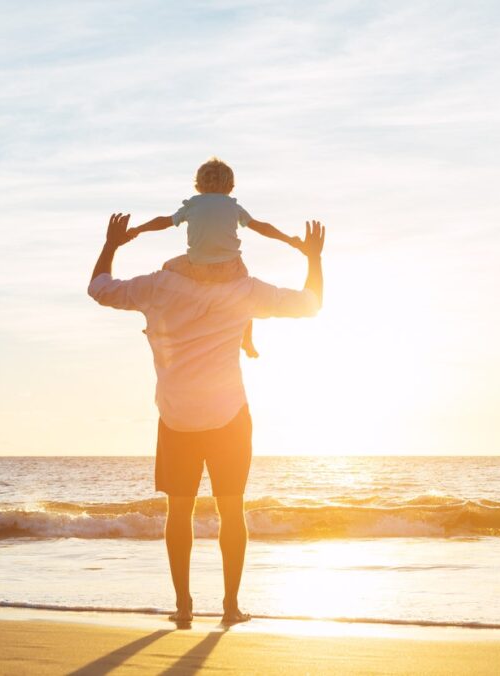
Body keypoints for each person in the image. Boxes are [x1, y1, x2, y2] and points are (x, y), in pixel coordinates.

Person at [88, 212, 325, 625]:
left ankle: (183, 608)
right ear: (232, 239)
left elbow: (99, 289)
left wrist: (112, 245)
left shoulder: (158, 285)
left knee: (179, 513)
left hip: (177, 416)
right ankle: (231, 608)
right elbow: (310, 304)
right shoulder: (244, 289)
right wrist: (313, 257)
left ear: (190, 235)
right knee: (232, 511)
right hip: (229, 416)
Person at [123, 157, 304, 358]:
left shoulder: (192, 205)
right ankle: (247, 340)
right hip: (231, 270)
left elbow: (163, 221)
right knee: (246, 297)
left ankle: (157, 321)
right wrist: (288, 239)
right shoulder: (233, 206)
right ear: (230, 186)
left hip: (197, 268)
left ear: (198, 185)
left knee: (167, 269)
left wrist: (138, 229)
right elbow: (261, 227)